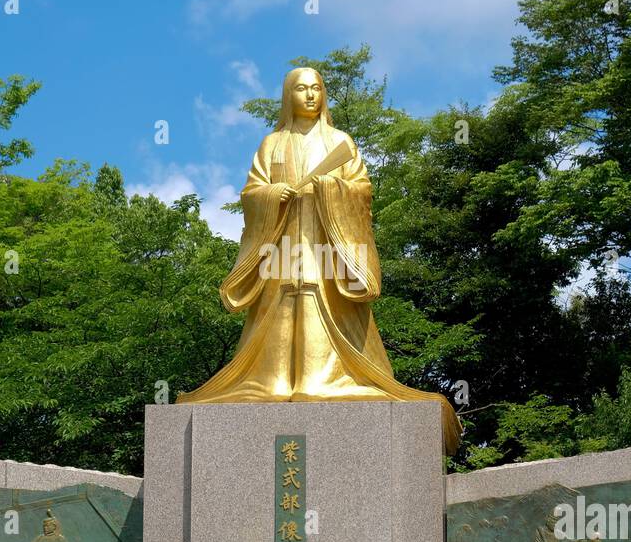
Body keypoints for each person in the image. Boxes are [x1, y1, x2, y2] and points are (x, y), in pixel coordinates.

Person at [178, 66, 461, 453]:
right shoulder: (272, 144)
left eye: (316, 88)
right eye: (301, 89)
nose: (310, 95)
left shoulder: (340, 141)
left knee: (318, 296)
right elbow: (251, 191)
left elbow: (361, 191)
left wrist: (329, 188)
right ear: (288, 96)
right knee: (281, 301)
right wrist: (272, 194)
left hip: (329, 247)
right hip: (282, 245)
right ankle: (274, 380)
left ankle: (323, 379)